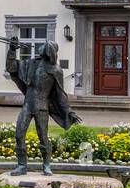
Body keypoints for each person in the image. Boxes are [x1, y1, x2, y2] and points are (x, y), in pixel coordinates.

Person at [5, 38, 81, 175]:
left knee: (43, 137)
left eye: (43, 46)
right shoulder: (32, 64)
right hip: (27, 106)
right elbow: (11, 67)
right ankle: (22, 165)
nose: (39, 48)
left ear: (48, 50)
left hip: (42, 107)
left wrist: (68, 111)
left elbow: (60, 94)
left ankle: (46, 165)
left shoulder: (56, 70)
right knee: (19, 135)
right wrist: (11, 50)